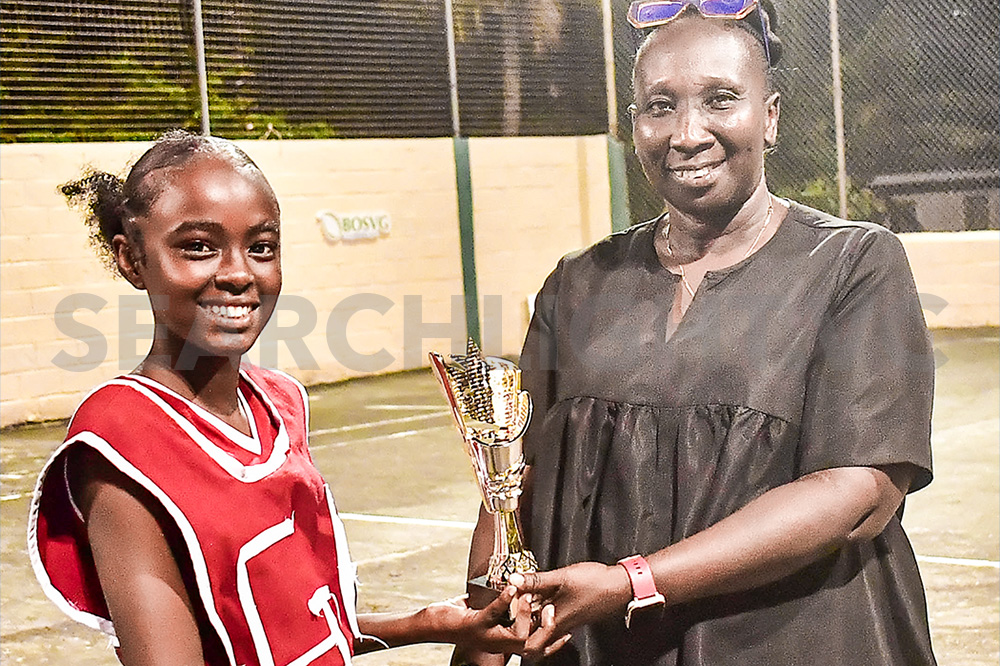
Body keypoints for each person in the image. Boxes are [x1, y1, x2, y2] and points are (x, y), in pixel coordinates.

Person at [455, 1, 938, 664]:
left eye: (720, 99)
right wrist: (479, 638)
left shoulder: (854, 265)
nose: (687, 133)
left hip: (798, 643)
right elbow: (517, 479)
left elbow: (860, 495)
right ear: (634, 126)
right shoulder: (578, 283)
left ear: (768, 117)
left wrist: (634, 584)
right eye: (660, 105)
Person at [27, 130, 549, 666]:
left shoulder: (277, 404)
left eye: (261, 247)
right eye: (198, 247)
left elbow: (293, 628)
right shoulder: (122, 439)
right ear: (132, 260)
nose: (237, 273)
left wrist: (427, 624)